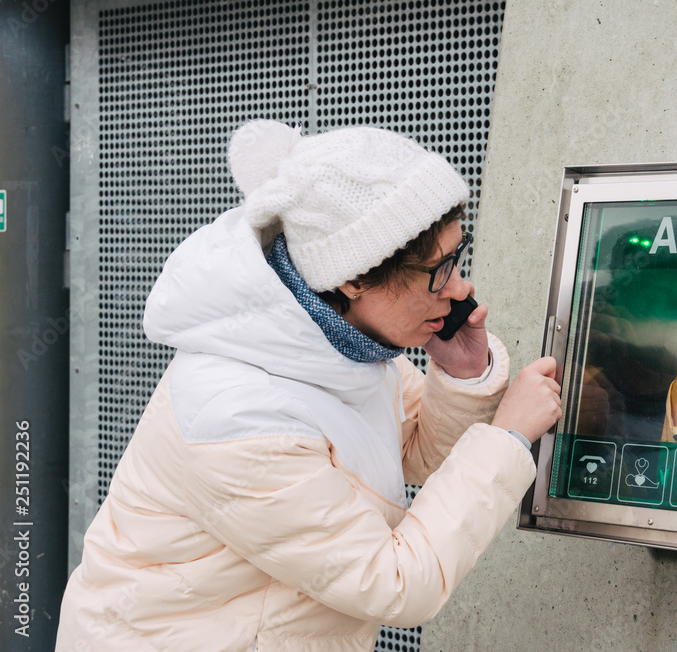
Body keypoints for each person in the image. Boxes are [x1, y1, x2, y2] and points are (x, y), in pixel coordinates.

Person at [55, 121, 562, 651]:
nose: (461, 288)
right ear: (354, 277)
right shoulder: (238, 417)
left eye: (460, 256)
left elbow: (414, 450)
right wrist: (506, 438)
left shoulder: (334, 340)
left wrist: (462, 375)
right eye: (439, 270)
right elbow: (393, 582)